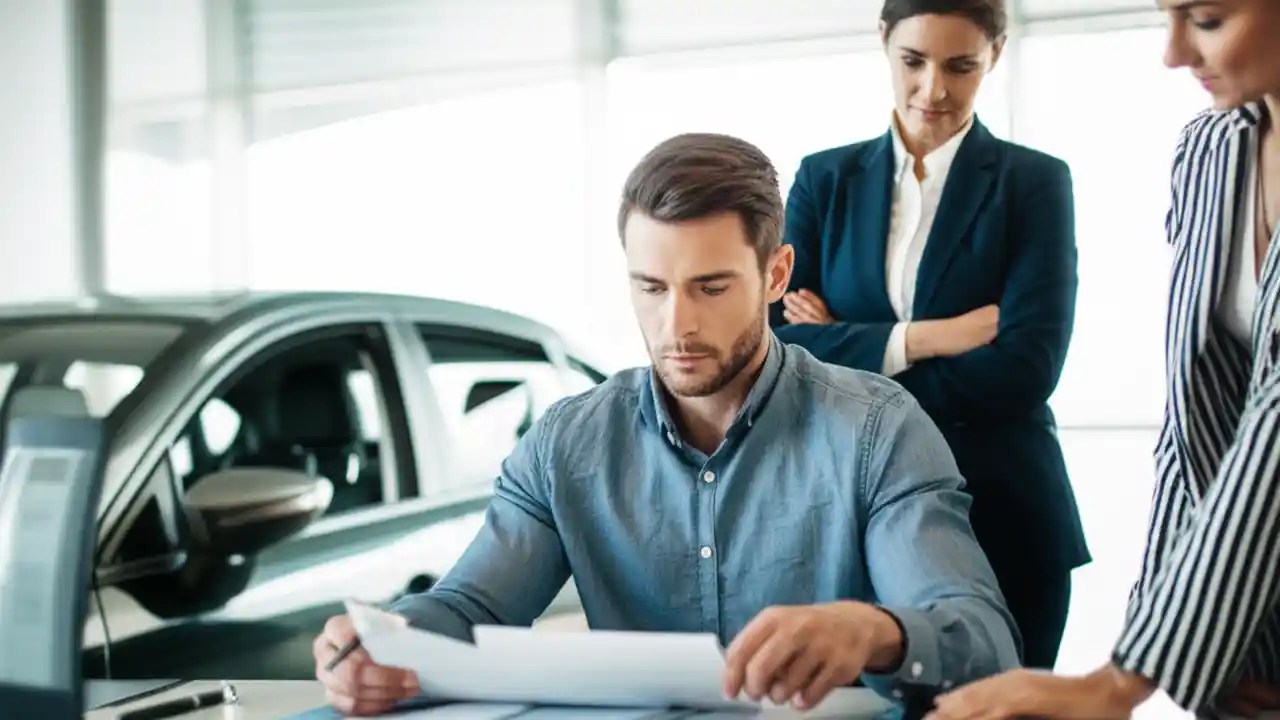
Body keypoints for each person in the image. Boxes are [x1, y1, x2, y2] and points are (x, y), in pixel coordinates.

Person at [312, 133, 1020, 716]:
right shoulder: (567, 445)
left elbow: (983, 639)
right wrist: (387, 641)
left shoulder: (876, 431)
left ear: (776, 276)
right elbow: (469, 605)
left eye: (711, 288)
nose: (676, 324)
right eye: (650, 288)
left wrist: (876, 633)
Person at [925, 0, 1280, 718]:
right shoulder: (1211, 152)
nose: (1173, 53)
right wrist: (1199, 647)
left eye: (1207, 18)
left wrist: (1126, 676)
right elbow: (1200, 422)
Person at [770, 0, 1088, 671]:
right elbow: (779, 348)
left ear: (996, 53)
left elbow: (1026, 367)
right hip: (856, 516)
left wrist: (851, 344)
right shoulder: (824, 180)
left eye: (961, 65)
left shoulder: (1034, 183)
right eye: (913, 61)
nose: (933, 88)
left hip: (1005, 510)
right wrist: (931, 337)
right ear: (884, 41)